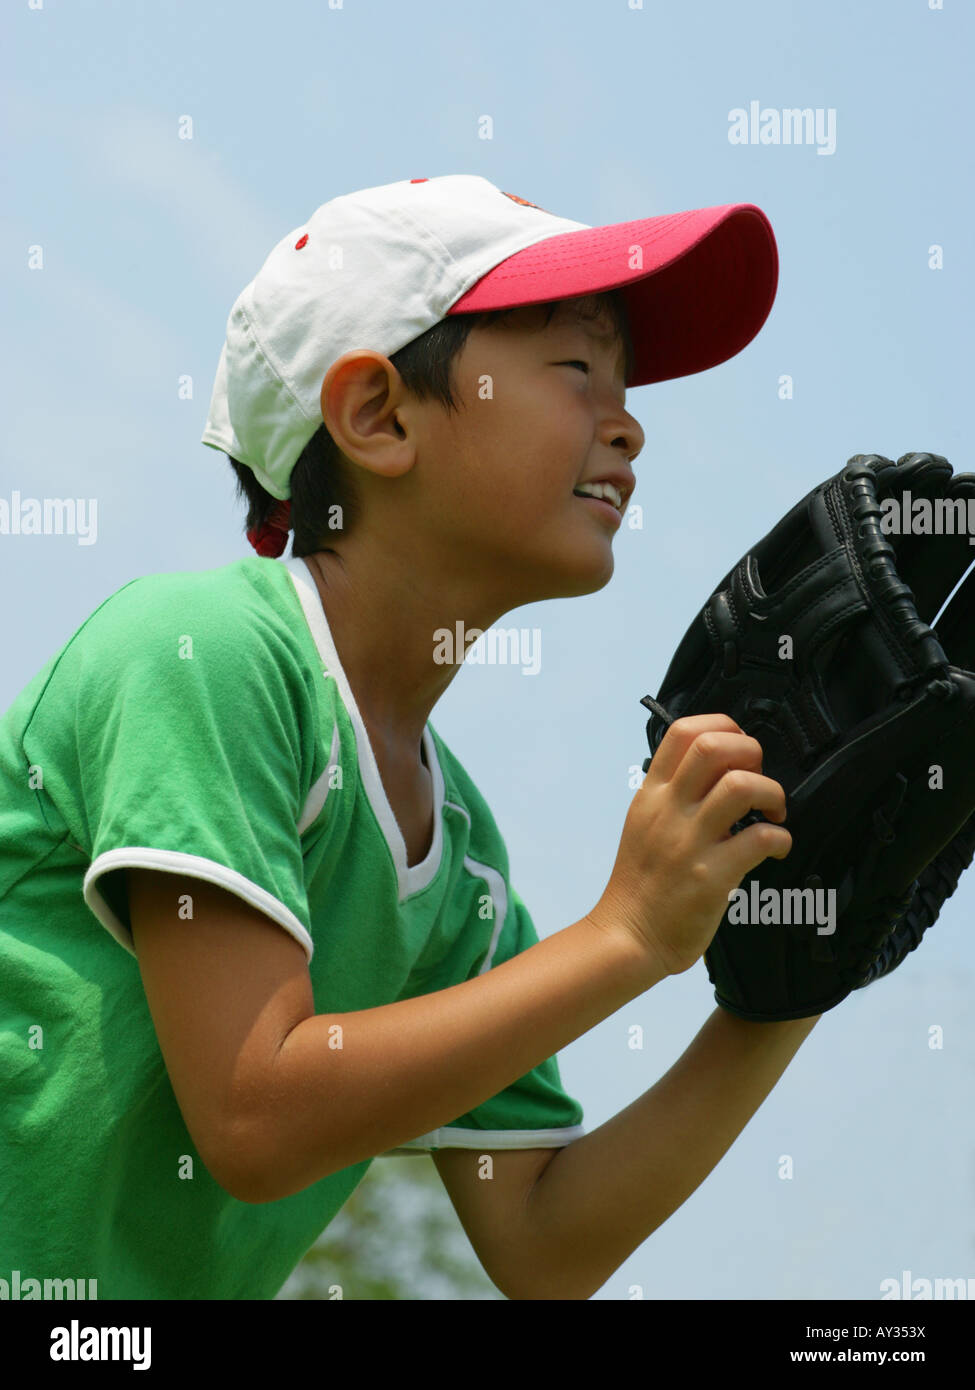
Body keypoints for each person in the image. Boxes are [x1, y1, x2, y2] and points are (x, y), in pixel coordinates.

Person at [0, 173, 818, 1302]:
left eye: (622, 384)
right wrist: (627, 934)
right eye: (577, 368)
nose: (627, 420)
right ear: (379, 417)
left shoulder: (464, 852)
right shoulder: (202, 651)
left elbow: (541, 1241)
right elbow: (254, 1111)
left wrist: (792, 985)